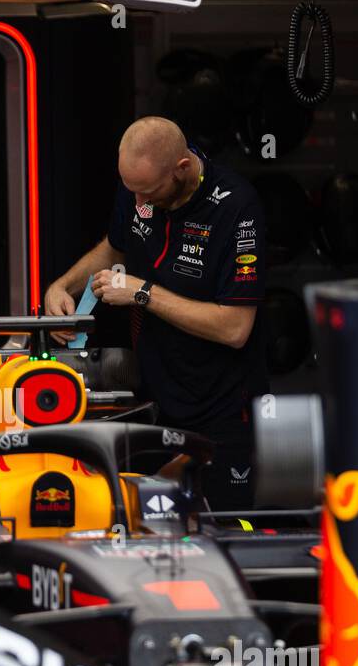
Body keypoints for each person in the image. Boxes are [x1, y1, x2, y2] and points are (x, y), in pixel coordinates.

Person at [44, 116, 267, 510]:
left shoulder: (237, 206)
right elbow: (116, 245)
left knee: (225, 533)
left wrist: (142, 293)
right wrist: (62, 286)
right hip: (157, 400)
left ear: (181, 169)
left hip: (223, 412)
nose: (140, 203)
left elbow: (236, 327)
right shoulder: (138, 188)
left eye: (148, 192)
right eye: (133, 192)